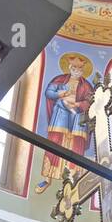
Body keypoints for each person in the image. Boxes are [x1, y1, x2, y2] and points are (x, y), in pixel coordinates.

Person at [36, 53, 94, 193]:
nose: (76, 70)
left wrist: (78, 104)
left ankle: (74, 180)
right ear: (69, 67)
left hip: (77, 117)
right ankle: (47, 178)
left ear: (83, 71)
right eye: (74, 68)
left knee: (76, 145)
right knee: (55, 143)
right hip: (61, 114)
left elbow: (90, 101)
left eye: (79, 69)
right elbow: (49, 92)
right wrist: (59, 95)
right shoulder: (60, 80)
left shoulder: (86, 85)